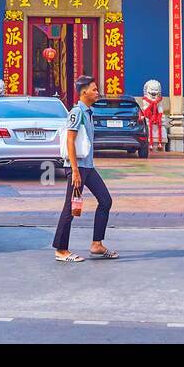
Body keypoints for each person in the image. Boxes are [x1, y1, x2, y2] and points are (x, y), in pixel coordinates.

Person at [53, 75, 117, 262]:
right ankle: (61, 250)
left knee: (105, 201)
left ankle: (97, 244)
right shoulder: (77, 112)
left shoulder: (89, 112)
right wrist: (74, 171)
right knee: (70, 207)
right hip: (77, 168)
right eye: (94, 89)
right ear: (83, 92)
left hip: (87, 166)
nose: (97, 92)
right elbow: (70, 141)